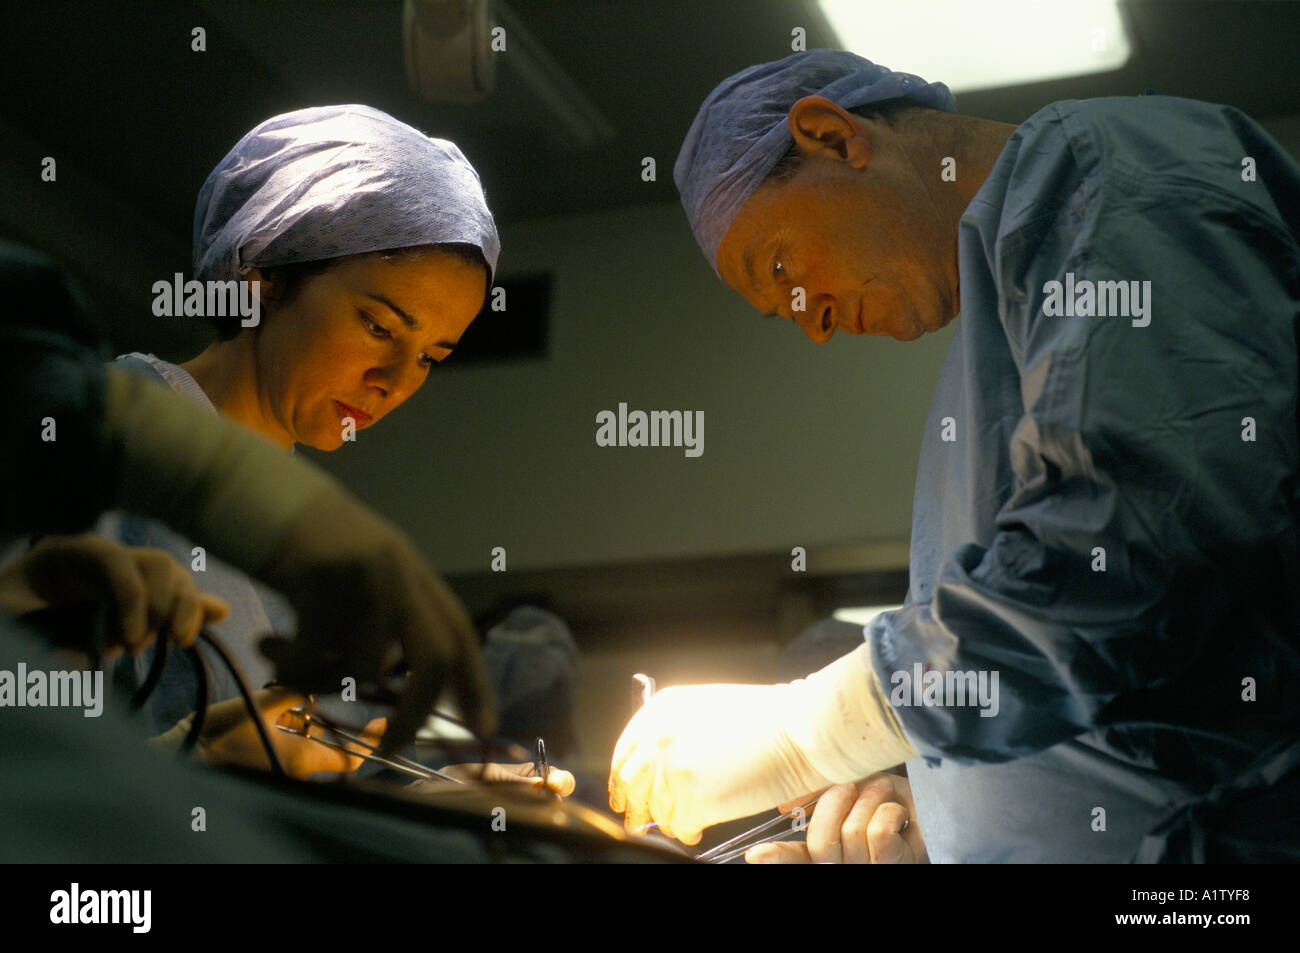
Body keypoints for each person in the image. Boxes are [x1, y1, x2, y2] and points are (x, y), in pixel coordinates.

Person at [609, 50, 1300, 862]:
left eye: (784, 269)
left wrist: (803, 730)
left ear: (832, 135)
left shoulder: (1098, 172)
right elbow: (1082, 707)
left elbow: (1126, 553)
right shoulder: (986, 368)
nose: (814, 323)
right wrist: (928, 814)